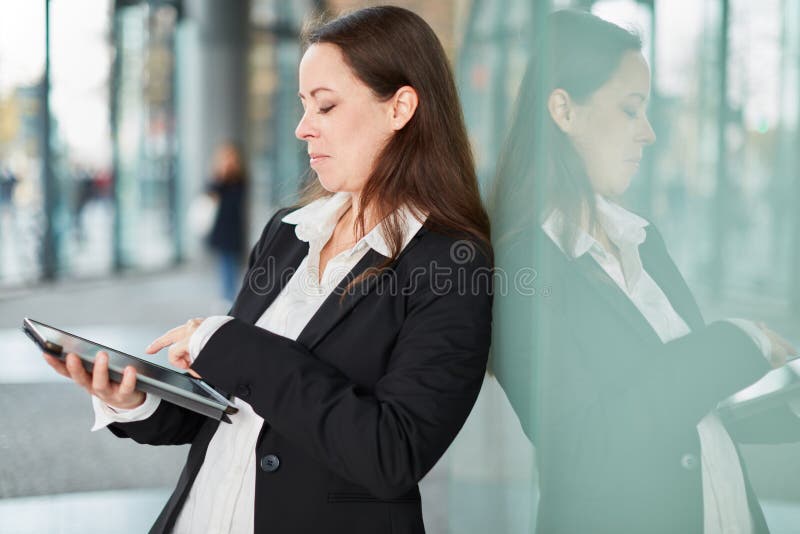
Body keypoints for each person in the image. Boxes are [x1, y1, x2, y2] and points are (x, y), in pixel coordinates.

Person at [42, 6, 492, 534]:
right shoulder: (289, 231)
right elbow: (231, 406)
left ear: (400, 107)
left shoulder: (451, 265)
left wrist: (231, 344)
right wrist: (137, 400)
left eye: (325, 106)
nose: (303, 128)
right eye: (303, 105)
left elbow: (389, 454)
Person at [489, 9, 799, 534]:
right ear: (563, 110)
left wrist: (789, 405)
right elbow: (586, 445)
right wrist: (734, 344)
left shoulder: (641, 239)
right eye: (631, 110)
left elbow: (689, 410)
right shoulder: (521, 269)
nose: (648, 133)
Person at [206, 142, 248, 302]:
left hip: (234, 228)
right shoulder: (218, 178)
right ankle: (227, 297)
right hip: (222, 229)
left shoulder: (239, 178)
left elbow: (238, 199)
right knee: (225, 264)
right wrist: (221, 175)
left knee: (232, 264)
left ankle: (230, 297)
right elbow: (210, 193)